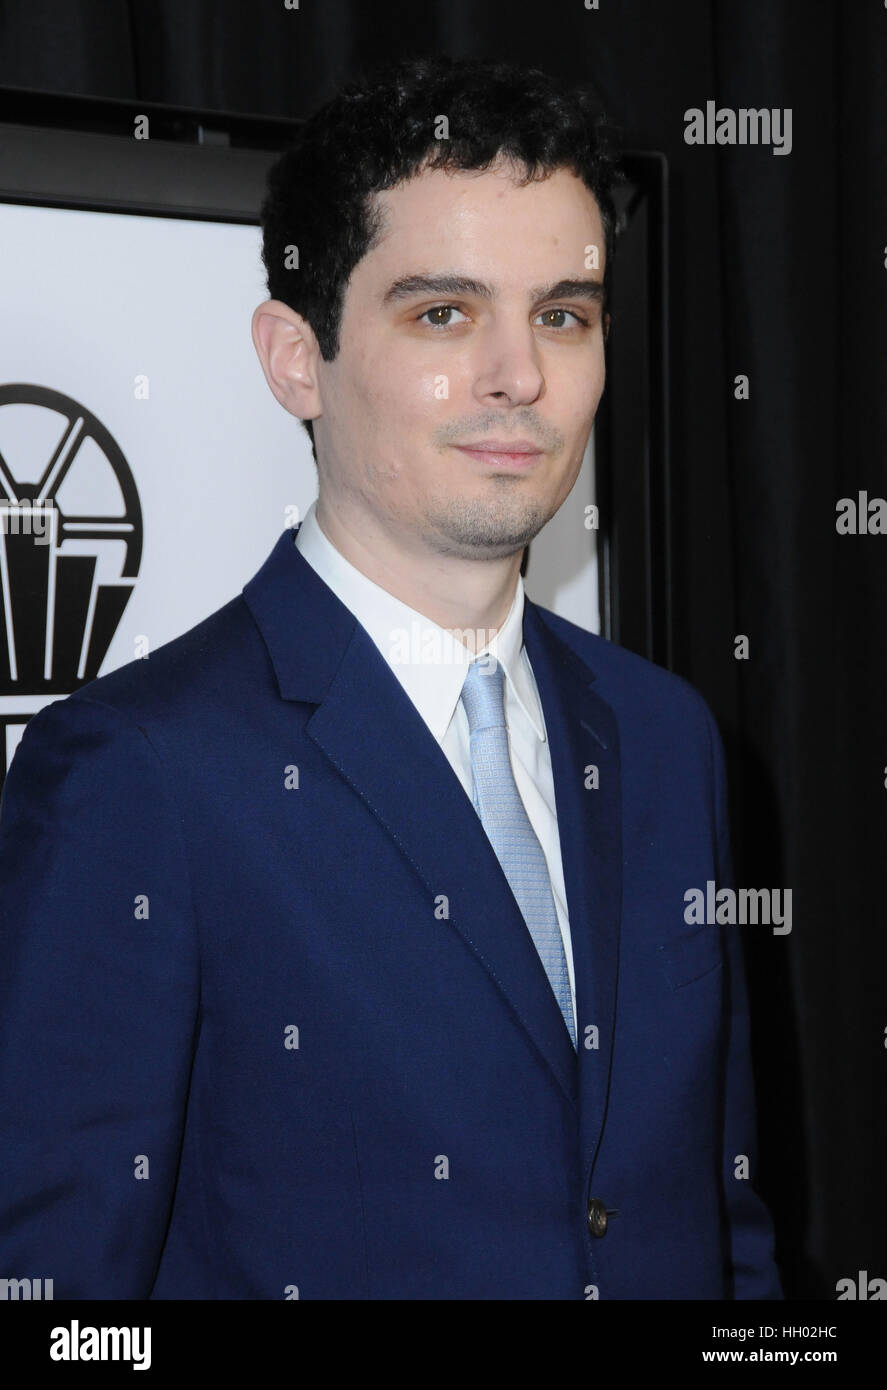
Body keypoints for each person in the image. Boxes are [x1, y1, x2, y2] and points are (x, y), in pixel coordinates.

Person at [0, 55, 781, 1300]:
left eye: (562, 314)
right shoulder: (140, 772)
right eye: (442, 313)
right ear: (295, 359)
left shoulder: (663, 736)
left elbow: (720, 1225)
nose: (516, 377)